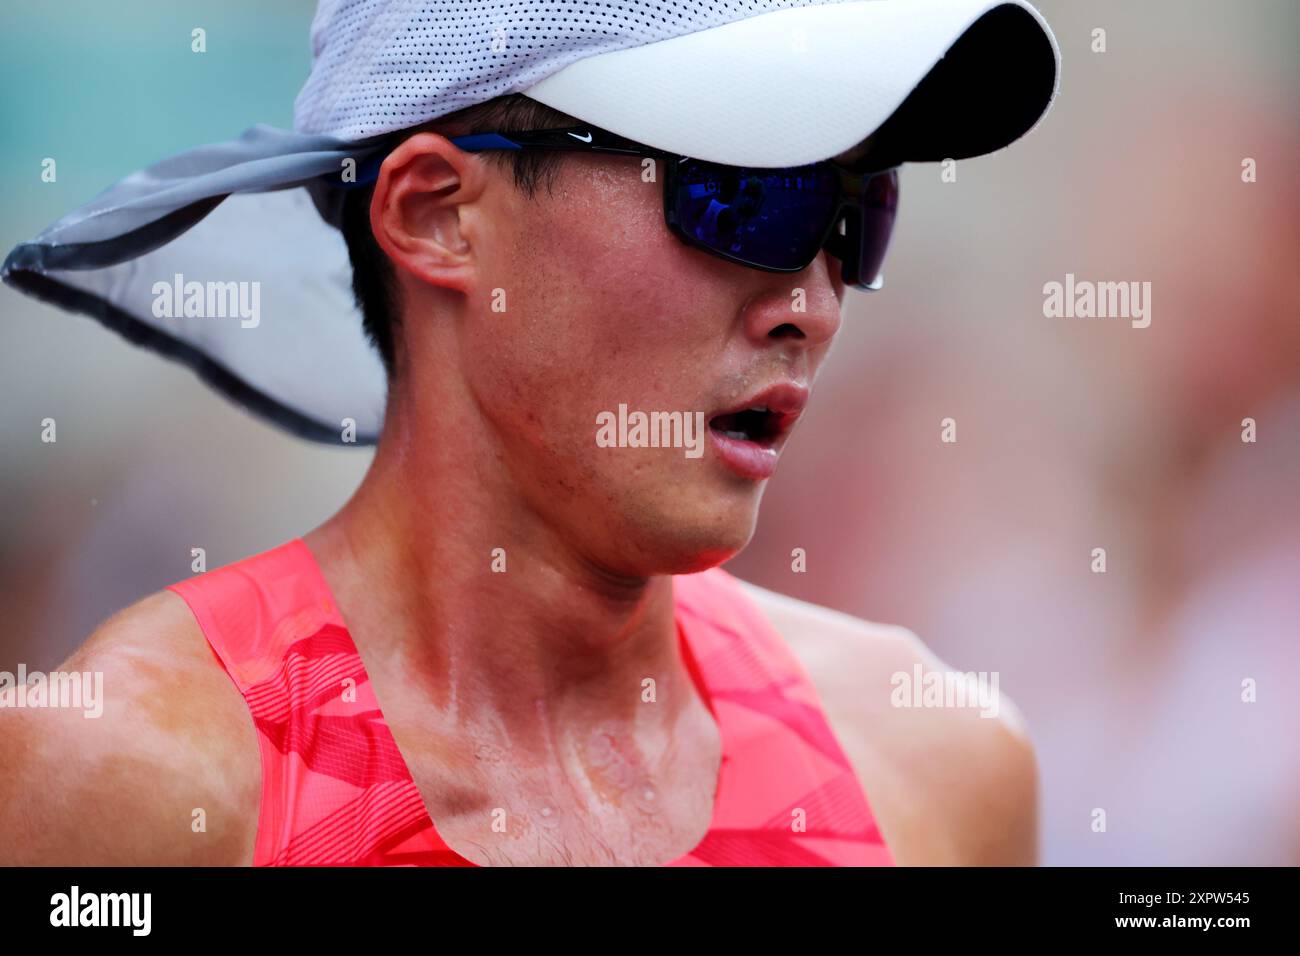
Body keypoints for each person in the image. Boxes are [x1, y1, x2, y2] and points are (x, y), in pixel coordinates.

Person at [0, 0, 1060, 866]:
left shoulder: (936, 764)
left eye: (852, 215)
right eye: (746, 197)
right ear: (437, 214)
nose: (814, 305)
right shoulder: (142, 775)